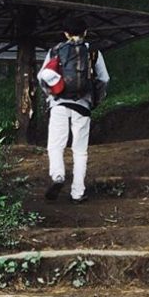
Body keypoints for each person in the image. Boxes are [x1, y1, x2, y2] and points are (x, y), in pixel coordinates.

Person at [39, 15, 110, 203]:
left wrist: (50, 95)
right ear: (85, 32)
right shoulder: (93, 52)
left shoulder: (55, 51)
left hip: (59, 104)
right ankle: (77, 193)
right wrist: (96, 100)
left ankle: (58, 175)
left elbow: (42, 77)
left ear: (65, 33)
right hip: (83, 105)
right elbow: (104, 79)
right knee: (79, 150)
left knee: (56, 144)